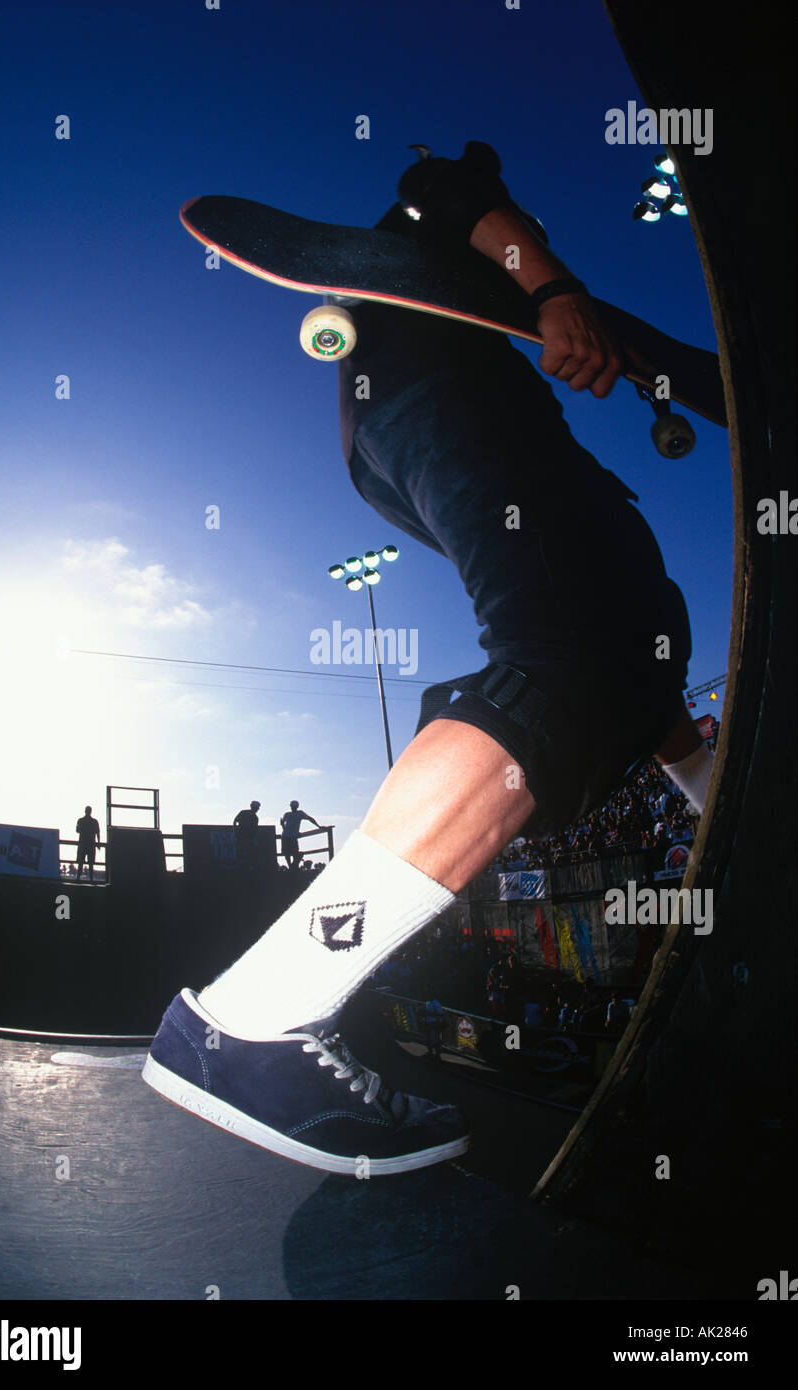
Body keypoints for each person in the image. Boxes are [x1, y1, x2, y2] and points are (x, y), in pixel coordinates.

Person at [143, 140, 715, 1176]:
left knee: (631, 631)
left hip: (414, 429)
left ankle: (722, 800)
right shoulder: (446, 208)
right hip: (433, 393)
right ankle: (252, 1015)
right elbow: (455, 195)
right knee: (567, 647)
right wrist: (553, 288)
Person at [279, 800, 320, 869]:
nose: (293, 807)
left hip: (288, 836)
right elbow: (310, 819)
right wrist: (319, 826)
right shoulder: (295, 814)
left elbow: (282, 823)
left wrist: (319, 826)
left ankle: (291, 867)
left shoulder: (293, 814)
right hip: (288, 836)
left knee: (290, 853)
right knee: (290, 853)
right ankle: (291, 867)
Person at [75, 805, 101, 883]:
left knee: (81, 862)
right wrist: (98, 843)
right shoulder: (94, 821)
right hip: (91, 844)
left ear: (85, 811)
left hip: (83, 843)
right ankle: (91, 879)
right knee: (90, 863)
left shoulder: (81, 820)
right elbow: (98, 833)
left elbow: (77, 830)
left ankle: (78, 878)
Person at [232, 800, 260, 867]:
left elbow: (235, 821)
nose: (257, 809)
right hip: (243, 836)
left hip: (247, 837)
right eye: (257, 807)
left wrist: (235, 831)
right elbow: (235, 821)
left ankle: (244, 865)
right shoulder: (253, 817)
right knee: (243, 852)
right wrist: (235, 831)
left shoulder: (254, 817)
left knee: (245, 852)